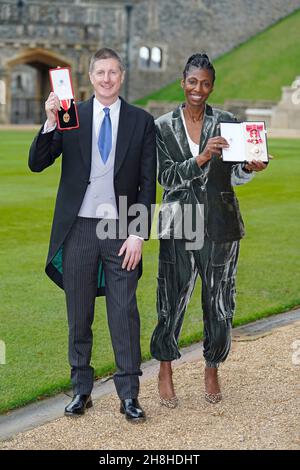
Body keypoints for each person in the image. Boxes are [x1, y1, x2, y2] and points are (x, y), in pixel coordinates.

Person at [29, 48, 156, 421]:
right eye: (100, 72)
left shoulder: (141, 121)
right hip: (79, 229)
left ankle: (129, 394)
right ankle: (81, 389)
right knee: (79, 314)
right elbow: (37, 163)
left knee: (124, 313)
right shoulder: (73, 116)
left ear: (122, 75)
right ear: (90, 76)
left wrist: (138, 234)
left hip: (120, 230)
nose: (106, 79)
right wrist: (51, 120)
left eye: (113, 72)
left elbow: (147, 184)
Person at [150, 53, 267, 407]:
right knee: (171, 299)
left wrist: (250, 167)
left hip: (221, 225)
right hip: (178, 223)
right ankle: (166, 368)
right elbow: (165, 176)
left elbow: (236, 176)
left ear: (212, 86)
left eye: (204, 83)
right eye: (192, 82)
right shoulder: (161, 127)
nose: (197, 89)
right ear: (182, 82)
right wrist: (201, 157)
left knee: (219, 300)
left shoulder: (228, 123)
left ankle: (212, 366)